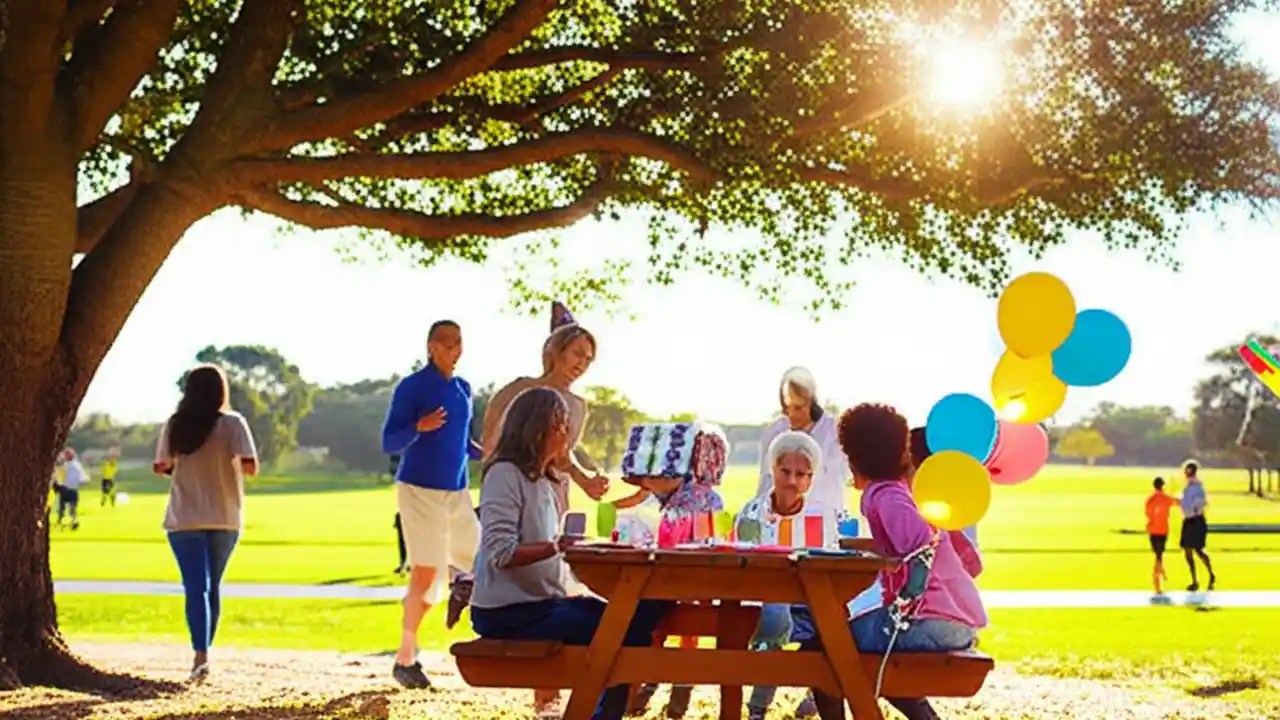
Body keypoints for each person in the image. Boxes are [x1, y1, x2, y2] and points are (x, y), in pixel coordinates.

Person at [471, 387, 668, 720]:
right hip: (511, 613)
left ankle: (602, 711)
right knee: (621, 630)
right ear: (538, 429)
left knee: (641, 614)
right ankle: (600, 713)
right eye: (561, 424)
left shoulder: (546, 479)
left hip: (541, 603)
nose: (567, 434)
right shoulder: (505, 475)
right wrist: (559, 546)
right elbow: (500, 552)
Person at [801, 404, 987, 720]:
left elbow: (919, 546)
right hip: (948, 620)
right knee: (852, 653)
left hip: (931, 621)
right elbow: (898, 545)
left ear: (855, 457)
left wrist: (905, 590)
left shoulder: (886, 496)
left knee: (824, 646)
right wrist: (845, 545)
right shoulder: (895, 492)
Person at [381, 320, 484, 689]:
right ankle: (406, 659)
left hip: (456, 492)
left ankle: (475, 605)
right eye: (447, 343)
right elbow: (389, 442)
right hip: (419, 491)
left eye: (459, 343)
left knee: (485, 560)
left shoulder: (462, 389)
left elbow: (464, 443)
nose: (455, 349)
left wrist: (489, 454)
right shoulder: (412, 388)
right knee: (425, 576)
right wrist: (418, 428)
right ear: (430, 347)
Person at [610, 422, 729, 719]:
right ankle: (667, 692)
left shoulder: (685, 496)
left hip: (671, 580)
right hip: (691, 581)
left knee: (658, 630)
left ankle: (652, 689)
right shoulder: (706, 497)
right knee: (676, 634)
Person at [153, 364, 259, 684]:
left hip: (185, 516)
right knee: (212, 587)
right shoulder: (233, 423)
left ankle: (201, 654)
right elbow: (251, 467)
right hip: (224, 516)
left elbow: (161, 466)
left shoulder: (176, 425)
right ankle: (203, 654)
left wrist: (187, 468)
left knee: (195, 587)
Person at [482, 302, 610, 515]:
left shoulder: (577, 406)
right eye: (577, 353)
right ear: (557, 351)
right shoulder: (518, 389)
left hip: (552, 496)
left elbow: (561, 455)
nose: (582, 364)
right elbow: (490, 442)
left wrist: (586, 481)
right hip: (511, 489)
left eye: (588, 359)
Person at [737, 431, 827, 720]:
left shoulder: (820, 517)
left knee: (832, 623)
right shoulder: (752, 513)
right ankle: (757, 708)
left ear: (811, 479)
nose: (792, 480)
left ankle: (817, 692)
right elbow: (743, 563)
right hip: (762, 597)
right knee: (776, 611)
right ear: (772, 469)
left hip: (810, 599)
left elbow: (831, 563)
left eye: (801, 474)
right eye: (785, 471)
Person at [756, 367, 849, 517]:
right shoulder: (774, 432)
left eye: (798, 408)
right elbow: (765, 480)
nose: (792, 415)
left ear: (812, 402)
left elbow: (842, 478)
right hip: (781, 521)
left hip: (825, 520)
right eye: (787, 409)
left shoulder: (834, 432)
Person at [1179, 460, 1216, 592]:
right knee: (1187, 552)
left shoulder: (1197, 487)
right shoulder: (1187, 487)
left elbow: (1200, 502)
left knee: (1198, 550)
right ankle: (1194, 580)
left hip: (1196, 520)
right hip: (1188, 520)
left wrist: (1194, 510)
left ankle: (1211, 574)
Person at [1145, 476, 1177, 595]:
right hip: (1163, 530)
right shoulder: (1166, 498)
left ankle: (1160, 576)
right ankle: (1158, 583)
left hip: (1153, 530)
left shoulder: (1150, 499)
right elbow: (1177, 502)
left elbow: (1148, 513)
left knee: (1158, 556)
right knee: (1159, 557)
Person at [57, 449, 88, 530]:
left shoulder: (76, 465)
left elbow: (81, 475)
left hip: (72, 489)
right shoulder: (64, 465)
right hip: (64, 488)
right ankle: (61, 522)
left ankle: (74, 522)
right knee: (62, 508)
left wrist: (82, 481)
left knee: (72, 508)